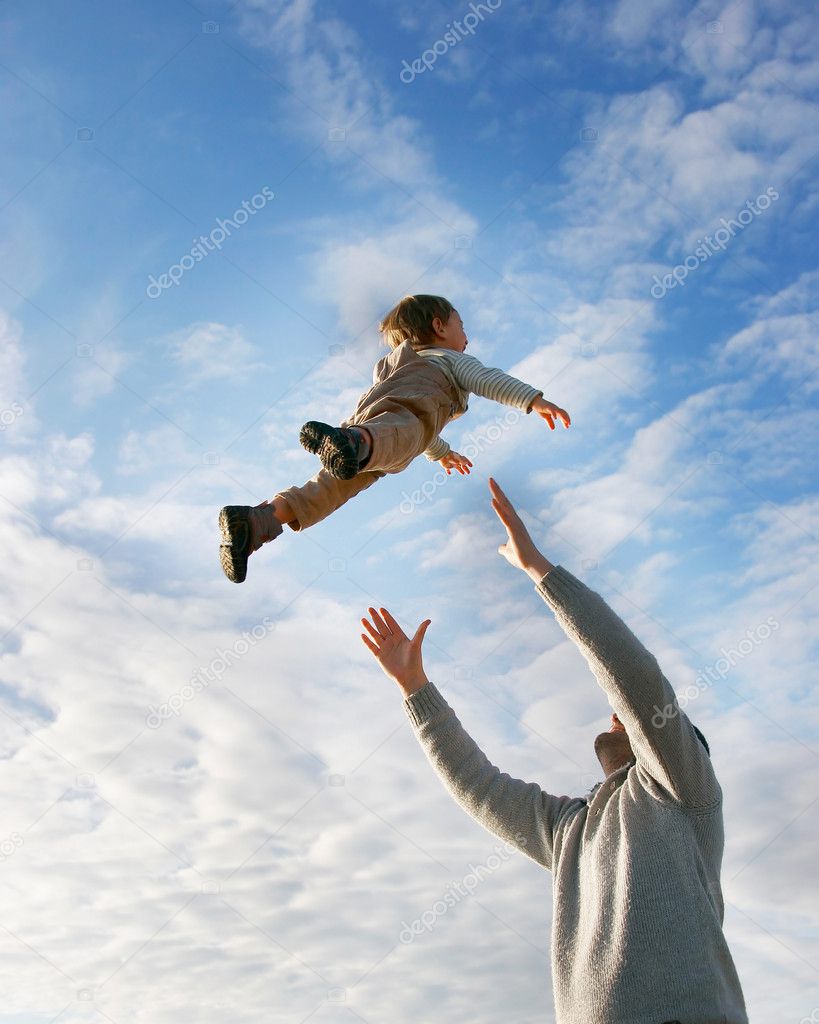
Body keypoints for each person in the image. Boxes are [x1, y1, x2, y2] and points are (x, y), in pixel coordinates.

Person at [360, 478, 749, 1024]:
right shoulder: (571, 830)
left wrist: (540, 571)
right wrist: (416, 691)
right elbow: (481, 788)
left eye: (640, 723)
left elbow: (634, 679)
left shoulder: (682, 788)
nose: (618, 714)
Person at [218, 294, 570, 583]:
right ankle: (352, 445)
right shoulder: (448, 359)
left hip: (371, 424)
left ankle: (256, 522)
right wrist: (531, 399)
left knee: (332, 487)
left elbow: (420, 430)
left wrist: (442, 453)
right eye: (462, 326)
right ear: (438, 326)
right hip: (382, 432)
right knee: (403, 445)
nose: (467, 336)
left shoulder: (397, 365)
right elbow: (485, 379)